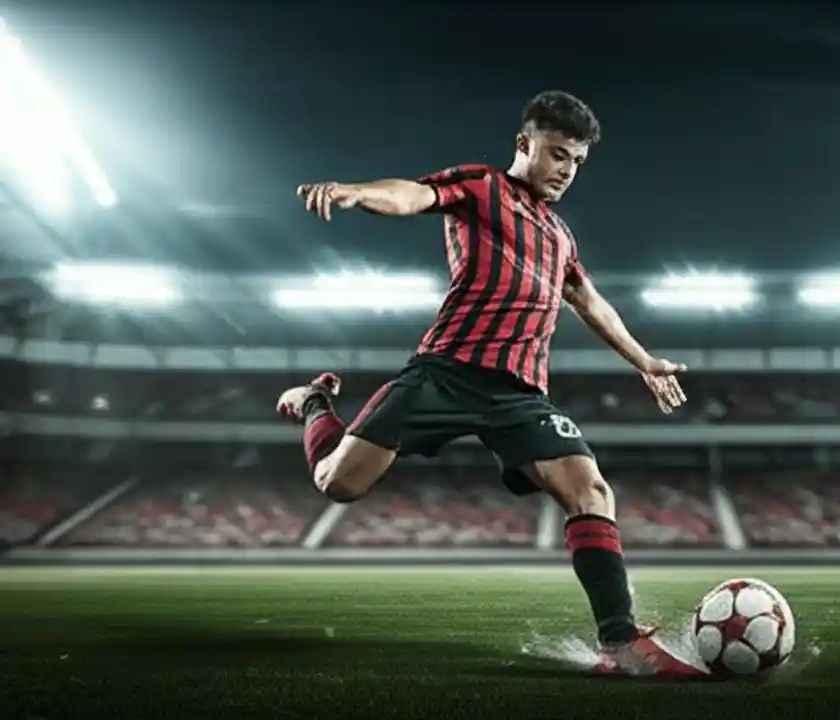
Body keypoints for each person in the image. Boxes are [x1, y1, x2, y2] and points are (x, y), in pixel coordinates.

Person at [277, 90, 702, 678]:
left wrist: (644, 361)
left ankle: (620, 642)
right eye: (556, 155)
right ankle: (316, 401)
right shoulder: (482, 187)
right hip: (445, 373)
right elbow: (414, 195)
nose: (565, 171)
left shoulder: (560, 237)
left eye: (576, 163)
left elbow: (589, 301)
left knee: (591, 492)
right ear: (524, 144)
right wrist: (357, 193)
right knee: (338, 484)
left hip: (520, 396)